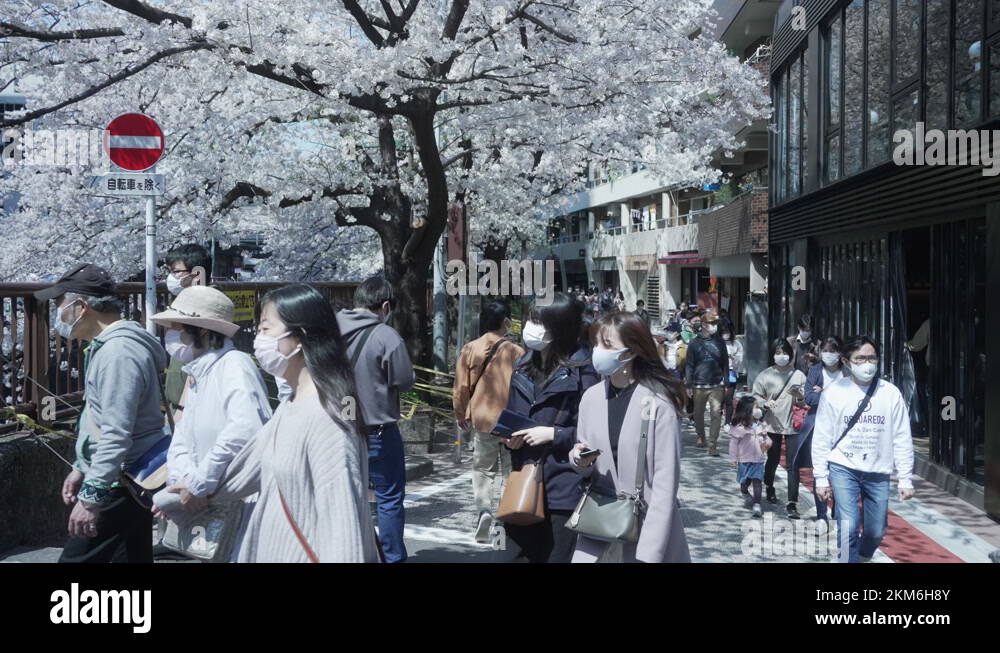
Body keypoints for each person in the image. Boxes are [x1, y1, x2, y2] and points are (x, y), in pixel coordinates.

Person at [36, 264, 168, 563]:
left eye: (59, 305)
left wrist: (91, 498)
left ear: (80, 307)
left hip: (120, 478)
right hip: (128, 474)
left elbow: (116, 432)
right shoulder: (113, 346)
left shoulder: (118, 354)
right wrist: (81, 466)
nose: (57, 313)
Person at [149, 286, 272, 561]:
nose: (170, 334)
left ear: (203, 330)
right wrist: (179, 486)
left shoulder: (234, 366)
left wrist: (197, 484)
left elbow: (245, 431)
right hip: (209, 502)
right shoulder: (200, 371)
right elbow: (183, 438)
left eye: (176, 327)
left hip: (239, 506)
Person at [568, 311, 690, 563]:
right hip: (598, 526)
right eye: (596, 344)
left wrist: (650, 553)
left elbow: (665, 486)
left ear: (631, 351)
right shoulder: (591, 398)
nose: (598, 351)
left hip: (644, 531)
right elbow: (586, 459)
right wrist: (579, 459)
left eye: (607, 345)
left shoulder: (657, 404)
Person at [500, 292, 599, 563]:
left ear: (559, 327)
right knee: (510, 556)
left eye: (539, 321)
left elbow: (594, 433)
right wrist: (508, 438)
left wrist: (553, 434)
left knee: (553, 556)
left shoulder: (584, 370)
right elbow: (510, 416)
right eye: (530, 319)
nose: (531, 327)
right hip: (523, 478)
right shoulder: (522, 365)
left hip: (564, 483)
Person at [812, 336, 915, 563]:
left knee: (876, 532)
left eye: (871, 358)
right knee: (848, 527)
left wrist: (905, 478)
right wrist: (820, 477)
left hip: (878, 471)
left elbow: (902, 437)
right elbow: (821, 437)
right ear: (847, 362)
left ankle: (862, 556)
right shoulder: (834, 392)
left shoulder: (890, 393)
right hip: (843, 467)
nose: (867, 364)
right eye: (860, 358)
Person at [336, 276, 416, 563]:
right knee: (389, 498)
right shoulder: (387, 336)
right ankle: (391, 558)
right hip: (378, 431)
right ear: (385, 306)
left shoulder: (329, 330)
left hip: (337, 431)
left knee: (346, 497)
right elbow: (405, 380)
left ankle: (352, 553)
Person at [452, 301, 525, 542]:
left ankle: (484, 510)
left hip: (482, 418)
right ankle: (505, 518)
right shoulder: (517, 352)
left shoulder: (470, 348)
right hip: (509, 421)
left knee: (483, 468)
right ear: (506, 322)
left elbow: (461, 387)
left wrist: (461, 414)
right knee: (508, 470)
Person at [789, 335, 846, 528]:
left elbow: (851, 399)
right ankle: (822, 515)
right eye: (826, 350)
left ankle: (838, 512)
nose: (829, 354)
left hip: (843, 428)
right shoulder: (814, 370)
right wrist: (826, 392)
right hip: (818, 426)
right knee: (819, 471)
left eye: (833, 350)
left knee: (840, 472)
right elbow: (810, 399)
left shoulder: (847, 371)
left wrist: (822, 390)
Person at [752, 338, 807, 518]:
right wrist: (764, 402)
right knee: (772, 459)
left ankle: (792, 502)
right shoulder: (765, 375)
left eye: (785, 353)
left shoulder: (798, 375)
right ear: (773, 354)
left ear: (790, 355)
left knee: (793, 465)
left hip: (793, 426)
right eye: (778, 352)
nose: (781, 356)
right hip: (772, 424)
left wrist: (799, 396)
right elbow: (756, 396)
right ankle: (769, 486)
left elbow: (805, 401)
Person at [161, 244, 211, 413]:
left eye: (176, 271)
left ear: (196, 274)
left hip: (189, 406)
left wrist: (182, 408)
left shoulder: (206, 306)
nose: (171, 277)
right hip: (177, 402)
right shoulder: (184, 301)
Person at [685, 310, 729, 456]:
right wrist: (689, 384)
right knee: (698, 414)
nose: (715, 326)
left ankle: (712, 444)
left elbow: (725, 363)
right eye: (712, 323)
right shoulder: (694, 343)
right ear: (703, 325)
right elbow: (689, 365)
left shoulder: (720, 342)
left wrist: (727, 382)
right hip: (699, 384)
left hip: (717, 384)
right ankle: (701, 436)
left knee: (716, 413)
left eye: (716, 323)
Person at [728, 396, 771, 518]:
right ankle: (745, 492)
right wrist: (733, 458)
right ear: (747, 410)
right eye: (756, 407)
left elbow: (766, 437)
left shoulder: (760, 424)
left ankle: (757, 504)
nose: (759, 410)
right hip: (744, 460)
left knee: (757, 481)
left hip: (758, 459)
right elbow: (733, 444)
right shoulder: (739, 427)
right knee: (744, 481)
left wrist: (767, 441)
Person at [721, 323, 744, 427]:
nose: (726, 334)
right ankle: (718, 417)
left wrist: (733, 357)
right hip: (718, 373)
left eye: (727, 332)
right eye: (724, 332)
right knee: (719, 398)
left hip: (731, 372)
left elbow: (740, 359)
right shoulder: (717, 342)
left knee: (729, 398)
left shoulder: (736, 344)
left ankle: (727, 421)